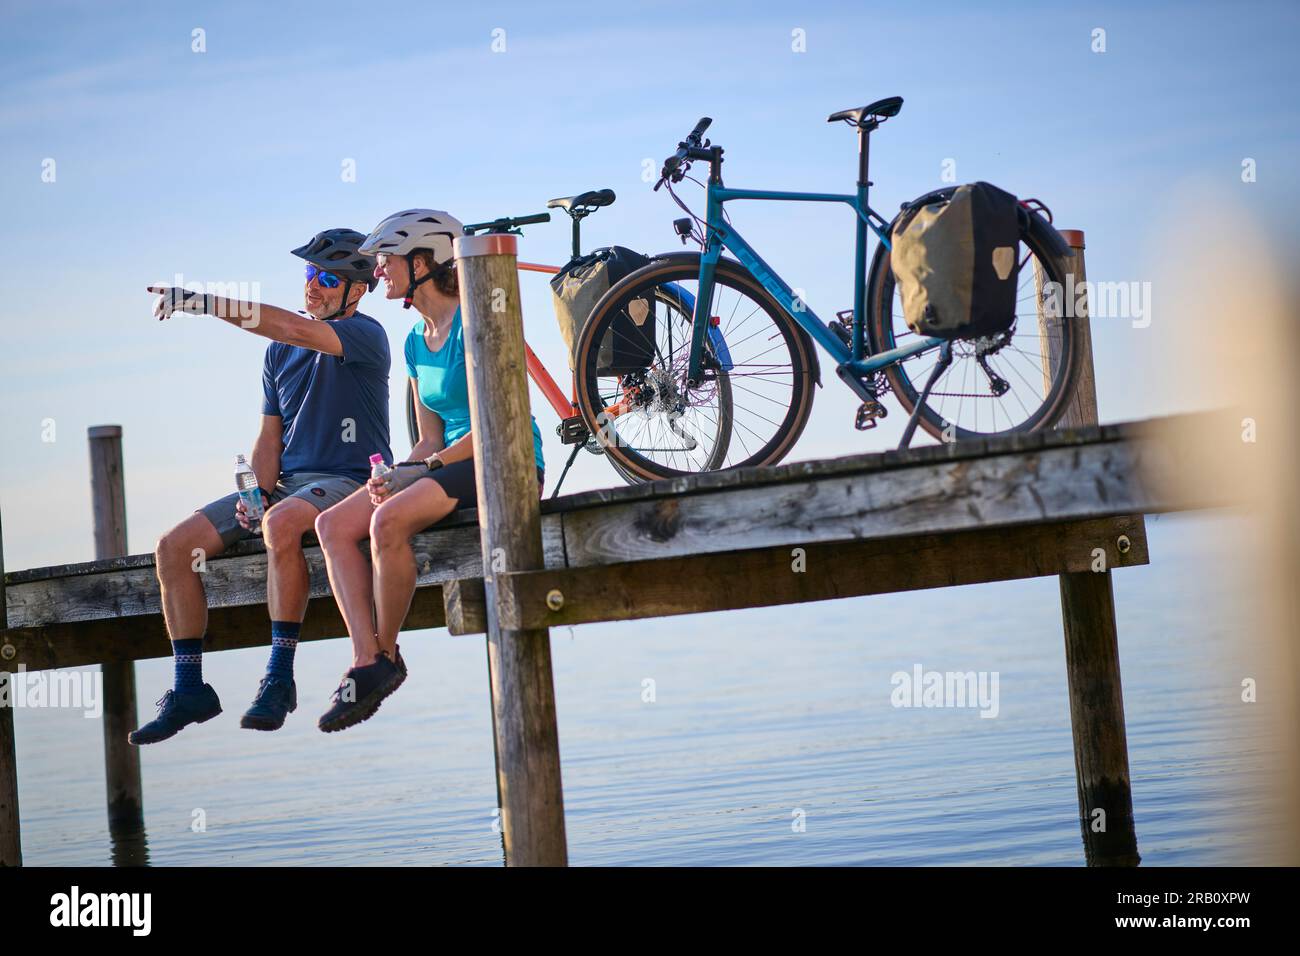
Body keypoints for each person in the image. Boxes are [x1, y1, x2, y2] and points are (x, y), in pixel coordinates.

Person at [128, 229, 391, 744]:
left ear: (356, 291)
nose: (313, 286)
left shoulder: (366, 335)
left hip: (347, 482)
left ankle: (278, 677)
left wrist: (204, 302)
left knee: (282, 523)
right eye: (309, 275)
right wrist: (257, 492)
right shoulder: (277, 355)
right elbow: (271, 436)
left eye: (327, 278)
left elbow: (293, 327)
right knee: (174, 548)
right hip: (288, 485)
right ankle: (188, 690)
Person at [314, 209, 545, 732]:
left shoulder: (477, 318)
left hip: (505, 460)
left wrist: (425, 470)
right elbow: (429, 438)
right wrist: (398, 472)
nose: (378, 272)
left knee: (386, 523)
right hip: (445, 465)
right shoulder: (417, 342)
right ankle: (363, 657)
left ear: (424, 260)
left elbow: (494, 422)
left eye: (387, 260)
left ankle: (386, 655)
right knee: (333, 525)